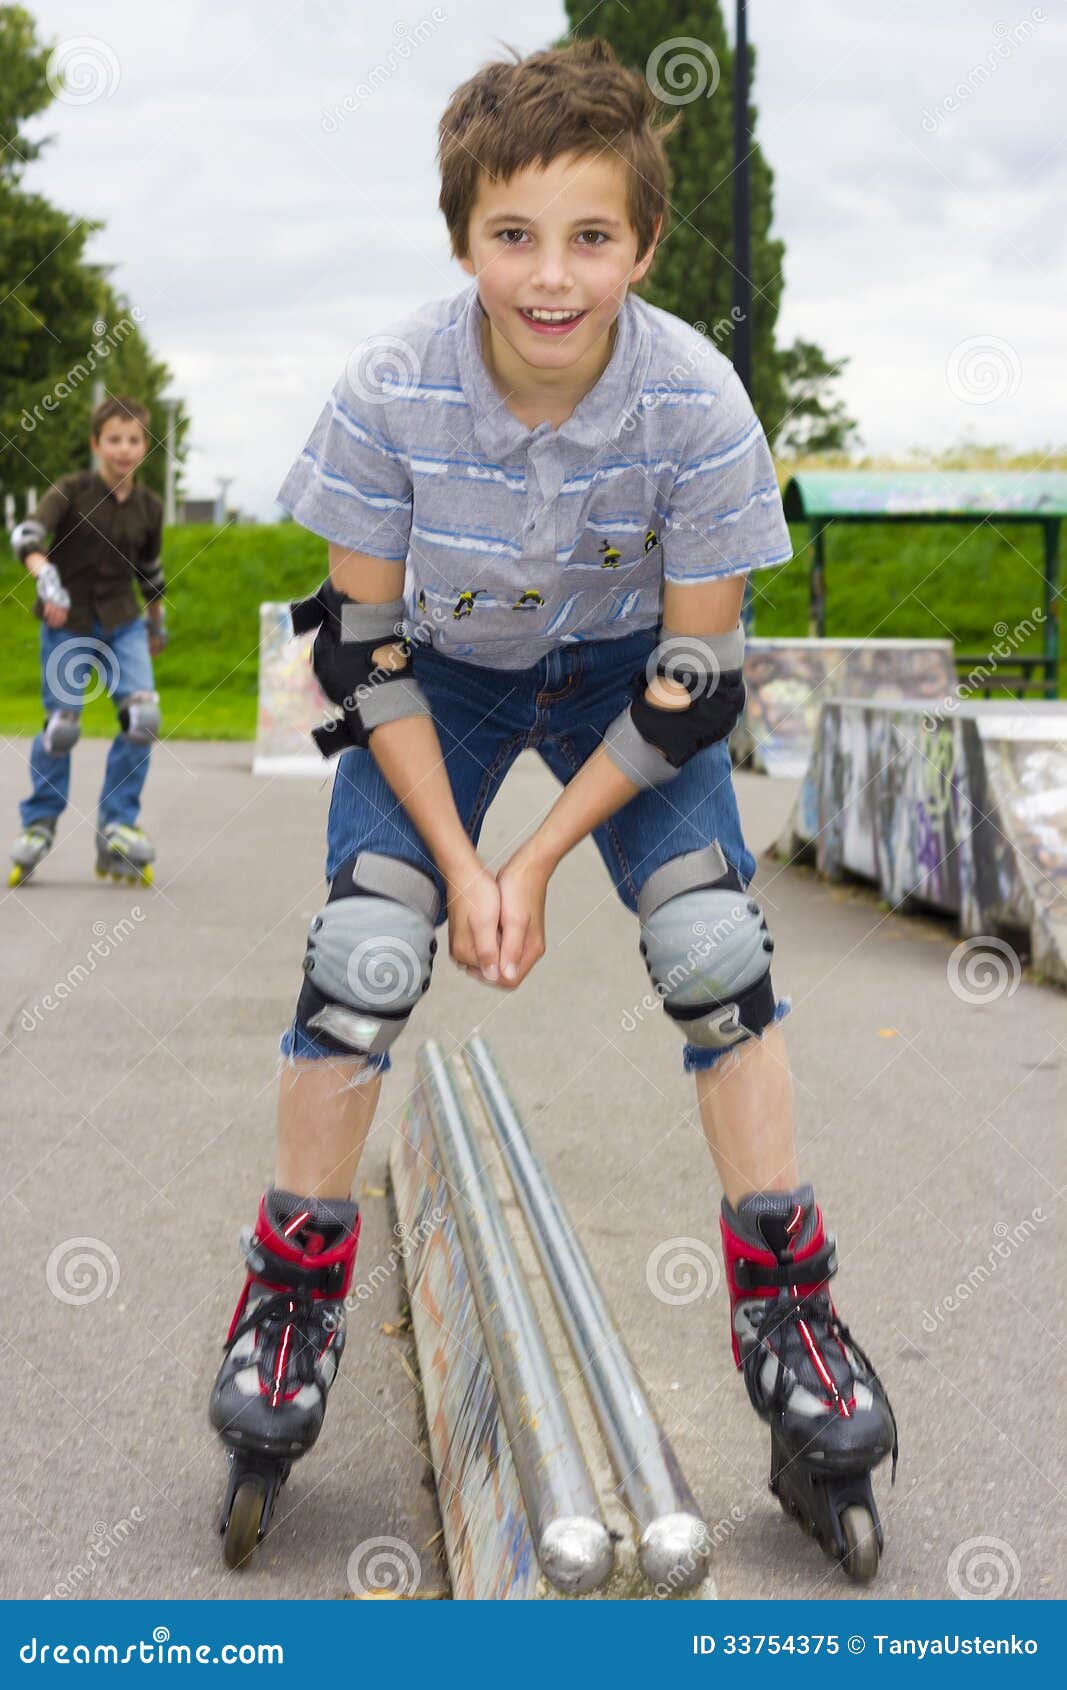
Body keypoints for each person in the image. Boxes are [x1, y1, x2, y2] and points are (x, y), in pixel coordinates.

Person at [209, 37, 896, 1580]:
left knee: (713, 946)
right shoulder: (391, 388)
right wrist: (458, 868)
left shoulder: (696, 402)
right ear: (461, 238)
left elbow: (691, 678)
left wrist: (528, 858)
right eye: (513, 235)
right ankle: (294, 1288)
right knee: (369, 954)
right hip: (435, 678)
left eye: (590, 237)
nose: (550, 276)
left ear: (641, 245)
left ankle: (788, 1301)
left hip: (617, 679)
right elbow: (362, 650)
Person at [7, 395, 166, 887]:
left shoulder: (150, 507)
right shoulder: (70, 490)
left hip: (123, 622)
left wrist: (156, 622)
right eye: (114, 439)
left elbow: (151, 573)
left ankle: (117, 823)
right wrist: (44, 575)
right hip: (67, 620)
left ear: (145, 446)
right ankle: (39, 823)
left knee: (143, 718)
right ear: (97, 444)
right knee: (62, 726)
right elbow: (27, 536)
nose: (124, 449)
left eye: (134, 439)